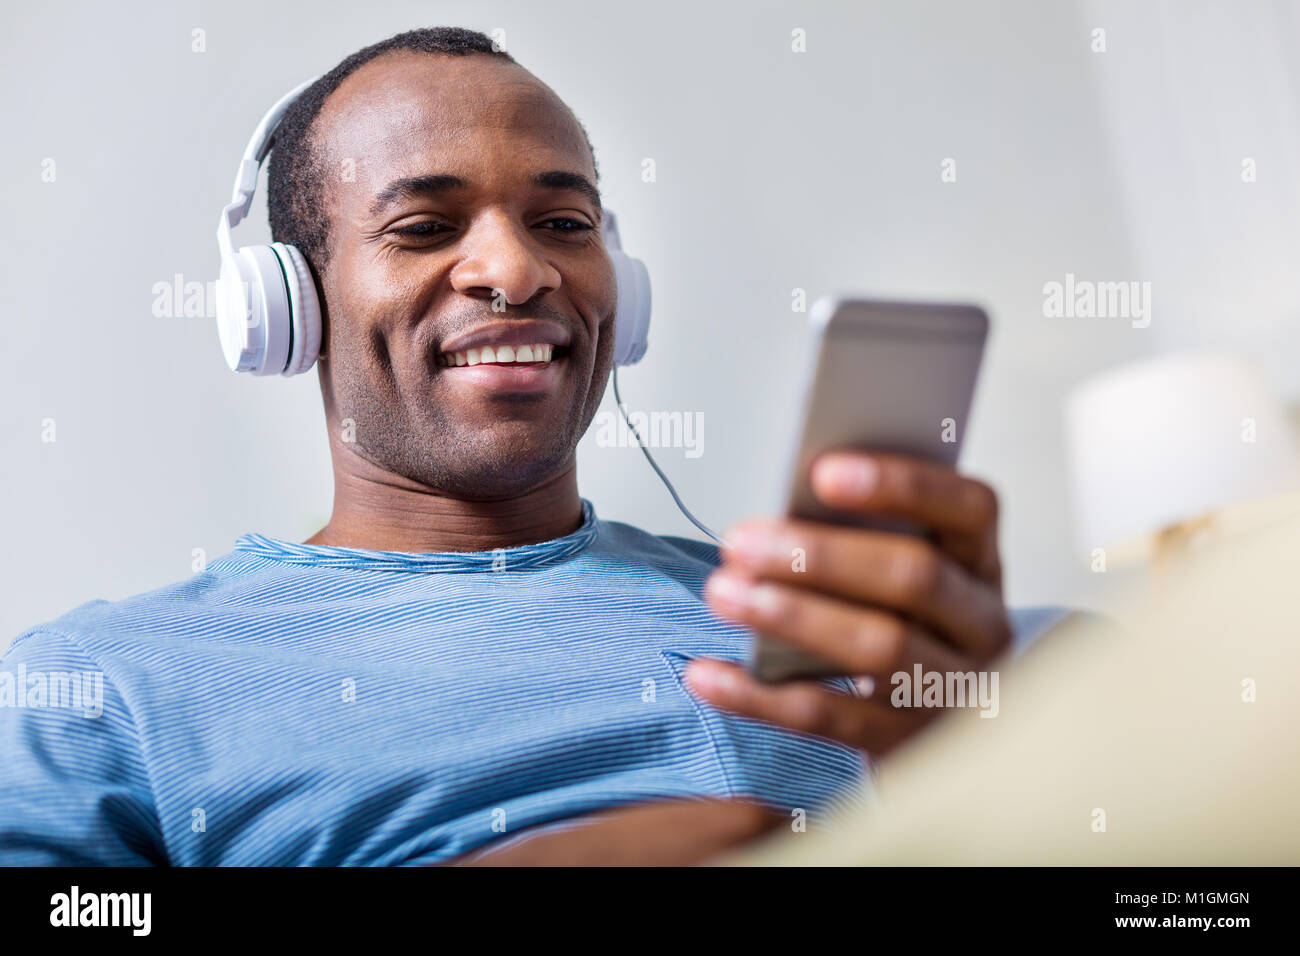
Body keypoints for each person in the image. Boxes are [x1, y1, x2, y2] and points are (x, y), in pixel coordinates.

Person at [0, 26, 1061, 866]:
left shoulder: (827, 618)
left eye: (563, 223)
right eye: (423, 228)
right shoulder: (100, 689)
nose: (514, 269)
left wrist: (989, 755)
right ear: (289, 308)